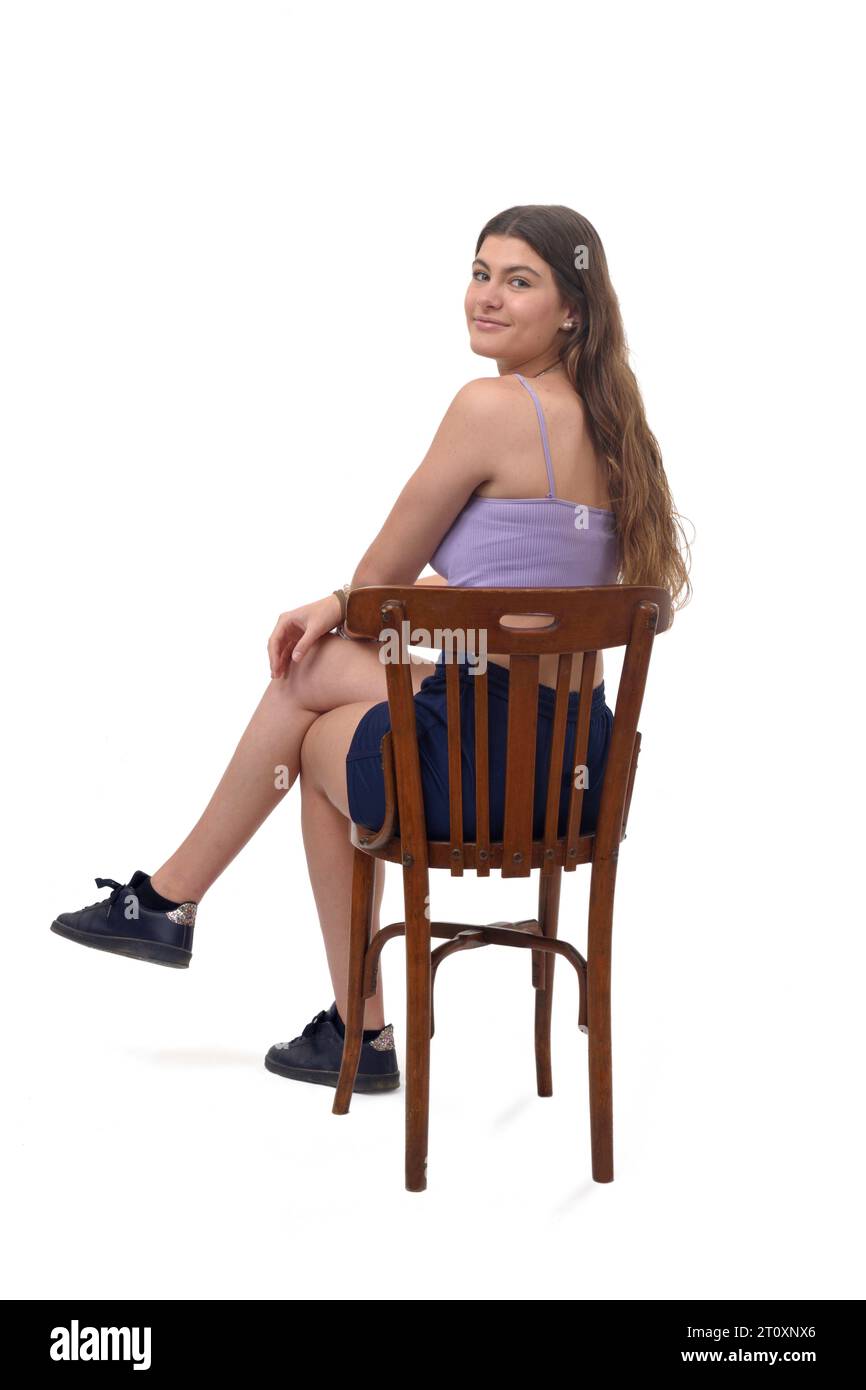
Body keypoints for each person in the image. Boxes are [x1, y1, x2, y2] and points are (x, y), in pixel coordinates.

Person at [50, 204, 691, 1096]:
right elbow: (507, 600)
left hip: (478, 772)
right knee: (327, 687)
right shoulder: (613, 424)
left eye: (519, 281)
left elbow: (381, 591)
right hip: (574, 767)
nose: (487, 297)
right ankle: (175, 907)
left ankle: (323, 999)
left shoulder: (491, 407)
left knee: (312, 703)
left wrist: (347, 598)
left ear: (572, 307)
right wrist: (345, 602)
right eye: (480, 272)